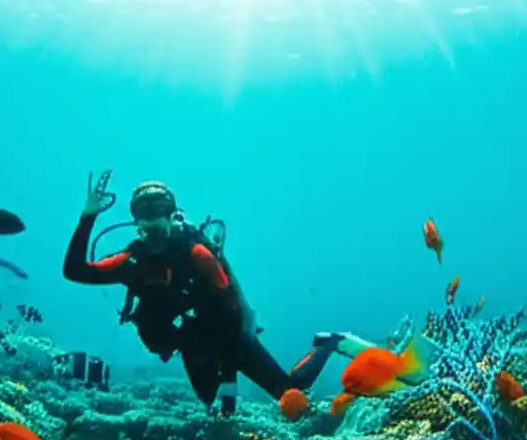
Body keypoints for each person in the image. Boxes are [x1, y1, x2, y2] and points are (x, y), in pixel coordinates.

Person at [62, 170, 359, 416]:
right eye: (144, 213)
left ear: (172, 215)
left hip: (230, 336)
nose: (152, 220)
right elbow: (74, 271)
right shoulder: (131, 263)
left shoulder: (197, 255)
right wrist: (88, 216)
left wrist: (229, 386)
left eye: (159, 211)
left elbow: (230, 315)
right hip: (192, 343)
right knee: (209, 405)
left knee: (292, 396)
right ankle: (221, 398)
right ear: (135, 221)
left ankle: (329, 342)